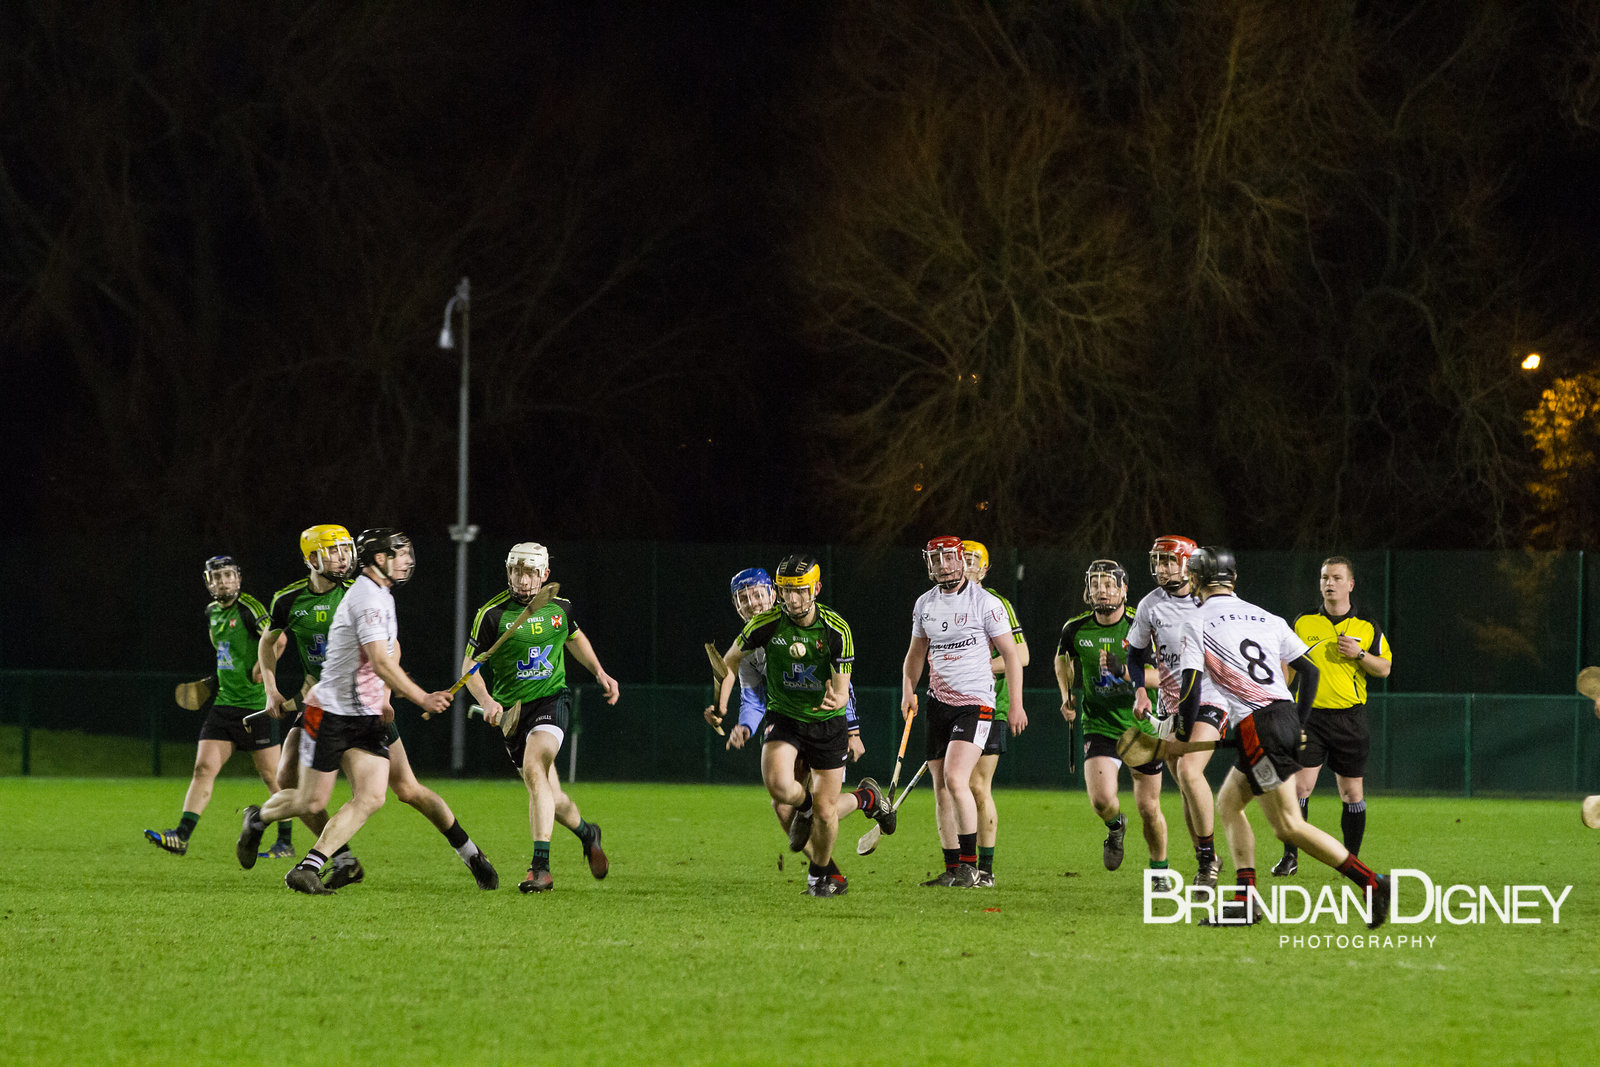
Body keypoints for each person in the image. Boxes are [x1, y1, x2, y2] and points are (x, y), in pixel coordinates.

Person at [237, 529, 497, 894]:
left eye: (346, 550)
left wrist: (387, 697)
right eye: (398, 554)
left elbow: (390, 653)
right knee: (309, 798)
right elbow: (378, 660)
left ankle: (313, 864)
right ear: (378, 559)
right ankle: (263, 820)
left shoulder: (376, 594)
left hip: (364, 711)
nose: (407, 561)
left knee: (381, 794)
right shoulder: (360, 598)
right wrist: (421, 698)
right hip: (327, 710)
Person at [1166, 547, 1390, 928]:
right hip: (1283, 717)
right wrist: (1298, 724)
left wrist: (1182, 736)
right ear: (1233, 579)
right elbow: (1310, 671)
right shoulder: (1265, 616)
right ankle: (1245, 902)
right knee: (1228, 803)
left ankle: (1371, 882)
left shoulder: (1196, 620)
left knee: (1289, 825)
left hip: (1261, 728)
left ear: (1196, 581)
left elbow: (1189, 689)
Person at [715, 554, 881, 897]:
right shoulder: (758, 631)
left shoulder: (835, 629)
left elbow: (842, 686)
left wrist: (851, 727)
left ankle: (861, 807)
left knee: (824, 809)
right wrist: (729, 714)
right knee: (782, 799)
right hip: (786, 718)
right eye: (743, 599)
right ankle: (827, 868)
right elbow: (746, 690)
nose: (792, 599)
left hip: (826, 723)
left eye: (757, 595)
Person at [464, 542, 617, 893]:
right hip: (512, 716)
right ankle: (587, 832)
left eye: (530, 571)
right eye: (516, 570)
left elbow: (574, 638)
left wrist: (599, 672)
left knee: (535, 769)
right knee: (551, 794)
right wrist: (487, 700)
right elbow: (469, 668)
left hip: (551, 700)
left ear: (544, 574)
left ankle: (541, 869)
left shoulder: (559, 608)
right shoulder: (491, 615)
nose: (522, 578)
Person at [902, 536, 1027, 888]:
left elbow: (1014, 656)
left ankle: (973, 867)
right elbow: (915, 654)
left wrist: (1015, 704)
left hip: (976, 703)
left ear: (960, 560)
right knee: (941, 788)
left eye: (949, 558)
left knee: (959, 781)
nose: (943, 565)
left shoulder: (985, 602)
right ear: (930, 564)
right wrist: (906, 691)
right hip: (936, 703)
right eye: (936, 559)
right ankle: (953, 867)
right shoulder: (924, 604)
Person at [145, 556, 283, 856]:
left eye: (228, 575)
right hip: (224, 706)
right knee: (203, 768)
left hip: (257, 707)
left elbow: (279, 639)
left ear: (238, 578)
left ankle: (284, 842)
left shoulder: (249, 608)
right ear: (209, 583)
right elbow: (226, 653)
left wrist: (262, 668)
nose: (223, 581)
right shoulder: (212, 613)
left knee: (274, 778)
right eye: (217, 577)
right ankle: (181, 836)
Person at [1273, 556, 1394, 876]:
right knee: (1299, 789)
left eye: (1337, 578)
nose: (1329, 583)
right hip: (1308, 718)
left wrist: (1361, 654)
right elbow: (1286, 670)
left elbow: (1385, 668)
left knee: (1352, 793)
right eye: (1325, 577)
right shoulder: (1303, 622)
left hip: (1350, 719)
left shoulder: (1366, 624)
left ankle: (1351, 862)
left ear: (1350, 585)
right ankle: (1290, 857)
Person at [1055, 559, 1170, 887]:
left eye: (1109, 585)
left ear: (1124, 590)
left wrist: (1127, 674)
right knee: (1102, 801)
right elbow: (1062, 659)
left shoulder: (1142, 627)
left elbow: (1163, 675)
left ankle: (1159, 871)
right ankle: (1116, 827)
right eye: (1096, 584)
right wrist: (1066, 694)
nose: (1101, 591)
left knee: (1149, 807)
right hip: (1099, 723)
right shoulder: (1075, 629)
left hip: (1142, 725)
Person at [1123, 535, 1226, 889]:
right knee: (1184, 783)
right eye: (1159, 561)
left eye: (1170, 561)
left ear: (1189, 564)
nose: (1163, 568)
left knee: (1187, 768)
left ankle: (1207, 859)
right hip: (1171, 704)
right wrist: (1140, 688)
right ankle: (1206, 854)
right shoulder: (1150, 604)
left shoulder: (1209, 603)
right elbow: (1135, 655)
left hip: (1210, 696)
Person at [252, 524, 358, 861]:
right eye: (333, 552)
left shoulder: (359, 593)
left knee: (401, 790)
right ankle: (341, 858)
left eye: (346, 550)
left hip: (358, 703)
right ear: (311, 558)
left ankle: (468, 851)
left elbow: (390, 647)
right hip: (316, 703)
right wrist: (271, 691)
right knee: (286, 779)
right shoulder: (288, 599)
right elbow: (267, 643)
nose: (343, 559)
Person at [959, 540, 1028, 887]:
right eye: (962, 559)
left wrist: (980, 666)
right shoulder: (946, 603)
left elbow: (1022, 655)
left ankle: (984, 870)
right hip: (955, 706)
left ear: (985, 569)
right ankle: (962, 864)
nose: (967, 565)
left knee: (977, 785)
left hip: (991, 705)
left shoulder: (995, 603)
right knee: (954, 785)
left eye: (974, 561)